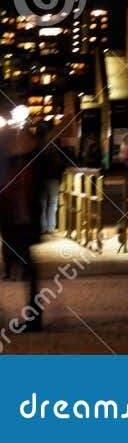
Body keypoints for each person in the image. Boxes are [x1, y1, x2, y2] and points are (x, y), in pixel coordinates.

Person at [0, 128, 44, 333]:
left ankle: (34, 318)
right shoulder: (26, 166)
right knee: (27, 270)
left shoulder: (19, 168)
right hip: (19, 224)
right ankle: (34, 316)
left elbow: (17, 195)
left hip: (19, 225)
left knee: (27, 270)